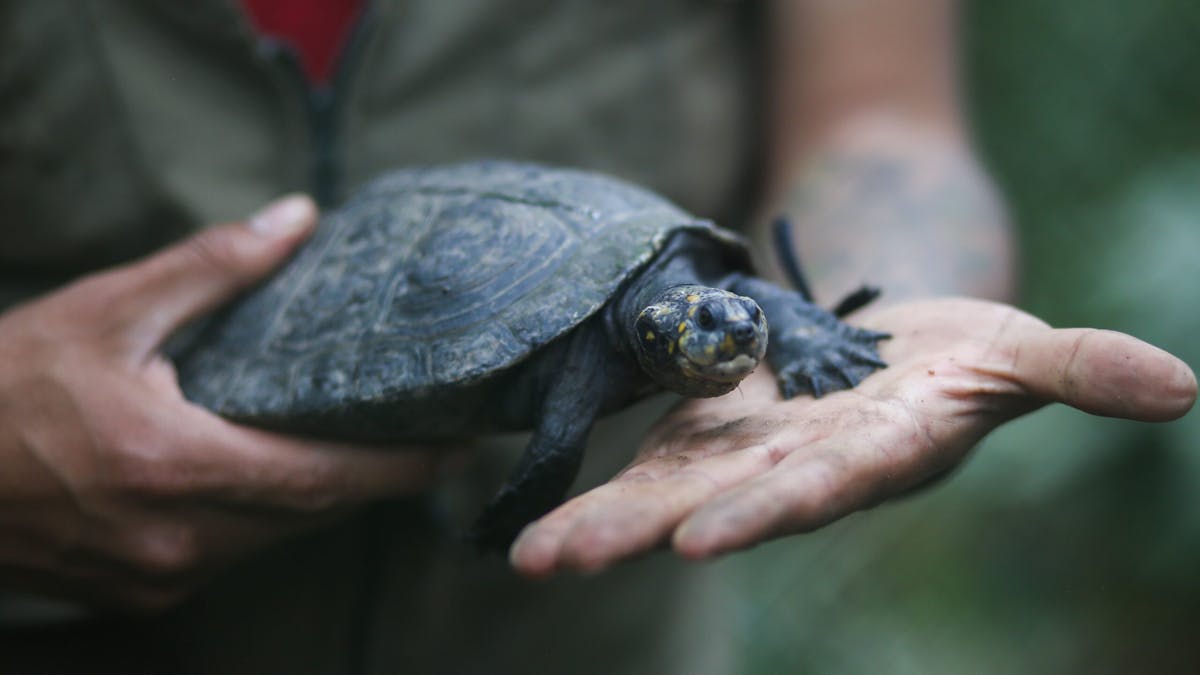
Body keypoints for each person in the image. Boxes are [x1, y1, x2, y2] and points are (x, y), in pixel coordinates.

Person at [1, 0, 1193, 672]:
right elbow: (563, 429)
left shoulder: (705, 306)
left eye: (727, 339)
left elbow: (881, 118)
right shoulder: (615, 340)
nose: (726, 347)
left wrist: (833, 332)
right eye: (702, 340)